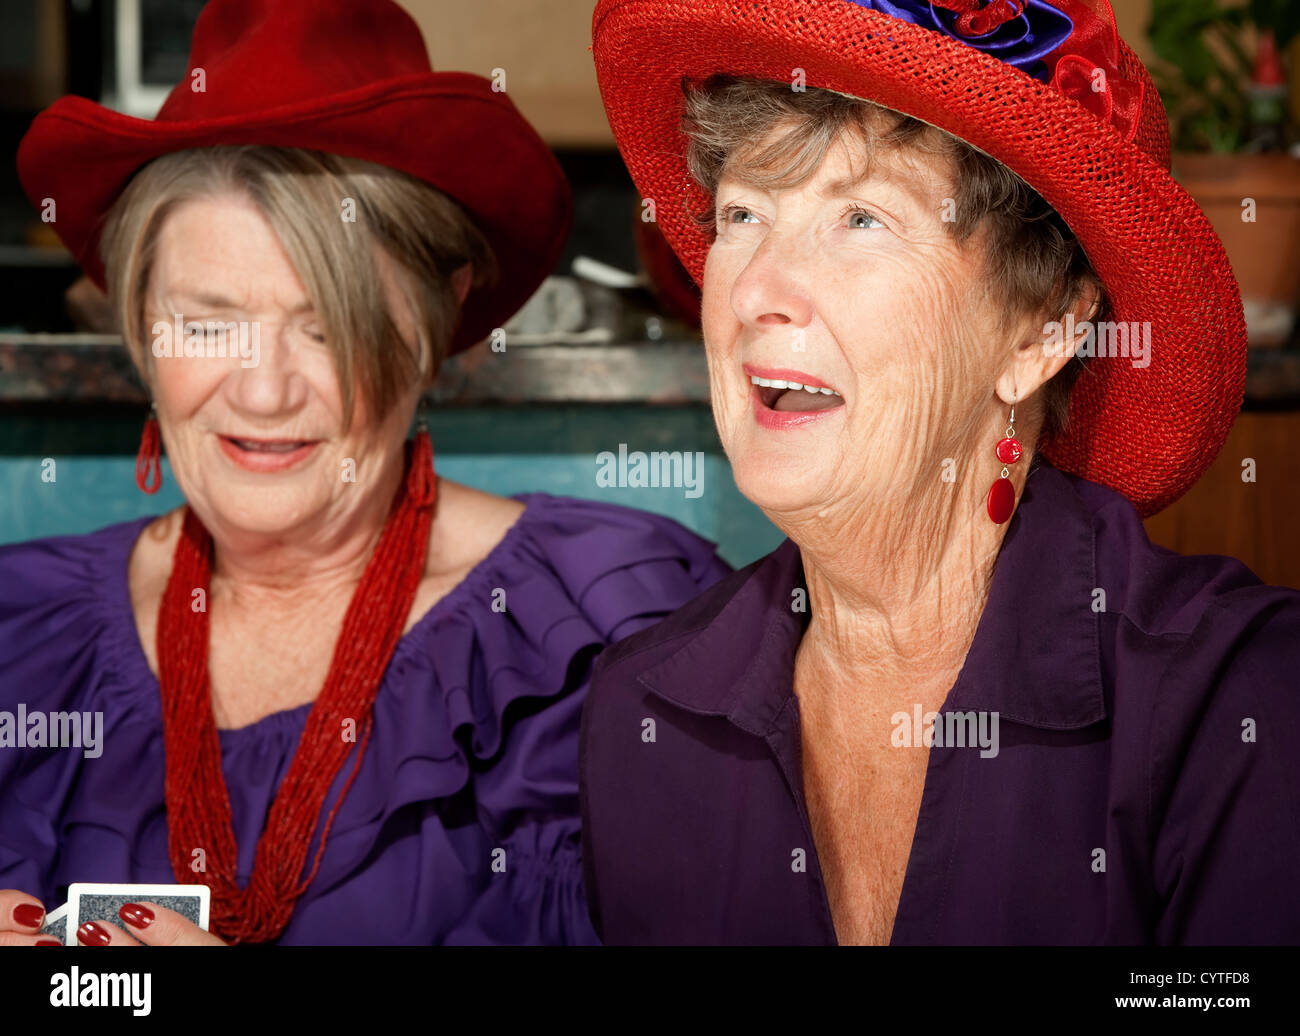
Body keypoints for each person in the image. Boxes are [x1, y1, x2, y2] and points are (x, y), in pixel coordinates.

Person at [0, 0, 728, 947]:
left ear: (437, 320)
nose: (262, 393)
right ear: (140, 322)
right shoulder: (20, 630)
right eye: (208, 320)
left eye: (327, 325)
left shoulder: (608, 629)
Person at [581, 0, 1300, 944]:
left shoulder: (1239, 704)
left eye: (862, 219)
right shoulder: (644, 713)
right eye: (743, 214)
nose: (757, 291)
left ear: (1045, 328)